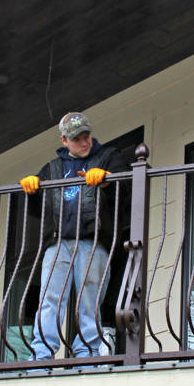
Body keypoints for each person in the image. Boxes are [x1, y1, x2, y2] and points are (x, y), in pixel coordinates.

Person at [18, 112, 130, 359]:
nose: (84, 142)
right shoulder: (52, 168)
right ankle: (41, 355)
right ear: (64, 141)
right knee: (50, 300)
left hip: (93, 241)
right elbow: (39, 210)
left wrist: (108, 180)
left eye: (86, 136)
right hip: (57, 243)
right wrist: (32, 191)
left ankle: (87, 355)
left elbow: (127, 190)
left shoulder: (108, 157)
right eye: (76, 138)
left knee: (89, 302)